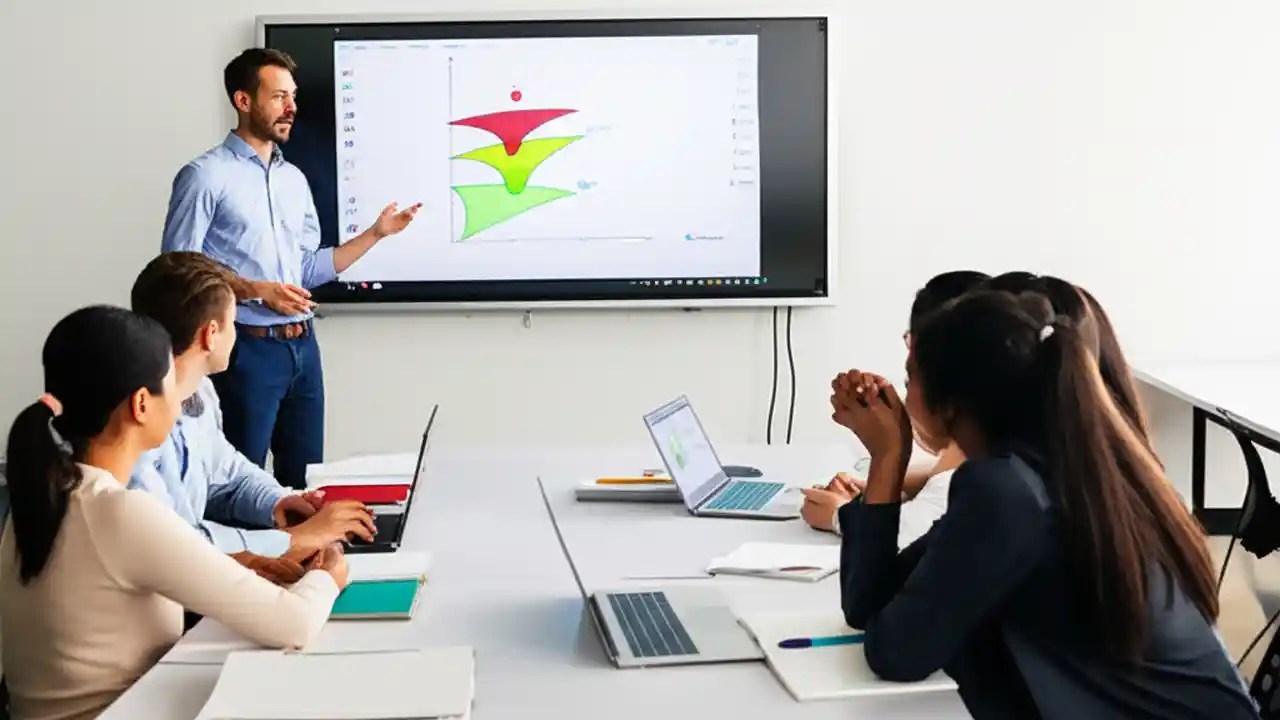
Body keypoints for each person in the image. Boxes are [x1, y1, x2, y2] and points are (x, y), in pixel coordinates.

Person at [831, 290, 1257, 719]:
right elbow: (873, 606)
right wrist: (888, 459)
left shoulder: (1005, 490)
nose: (902, 396)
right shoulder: (1063, 470)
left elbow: (897, 652)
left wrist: (888, 460)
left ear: (951, 401)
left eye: (909, 378)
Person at [0, 306, 348, 720]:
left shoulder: (48, 493)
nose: (185, 399)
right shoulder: (120, 511)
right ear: (142, 404)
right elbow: (294, 622)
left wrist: (238, 564)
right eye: (173, 384)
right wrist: (329, 576)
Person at [161, 47, 421, 489]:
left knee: (304, 488)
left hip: (304, 350)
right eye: (279, 96)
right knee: (236, 485)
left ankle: (305, 561)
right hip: (245, 351)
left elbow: (307, 267)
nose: (292, 107)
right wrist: (254, 289)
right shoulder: (204, 176)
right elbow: (176, 267)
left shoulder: (293, 180)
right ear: (244, 101)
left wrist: (375, 234)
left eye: (293, 97)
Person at [128, 252, 376, 585]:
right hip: (168, 605)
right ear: (210, 334)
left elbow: (227, 474)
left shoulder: (199, 391)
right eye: (235, 322)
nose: (239, 333)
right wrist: (296, 540)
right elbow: (175, 548)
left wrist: (278, 502)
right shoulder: (133, 426)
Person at [800, 270, 988, 534]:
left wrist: (840, 514)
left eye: (911, 376)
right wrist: (880, 484)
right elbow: (941, 475)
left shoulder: (972, 487)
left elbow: (893, 544)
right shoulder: (1007, 451)